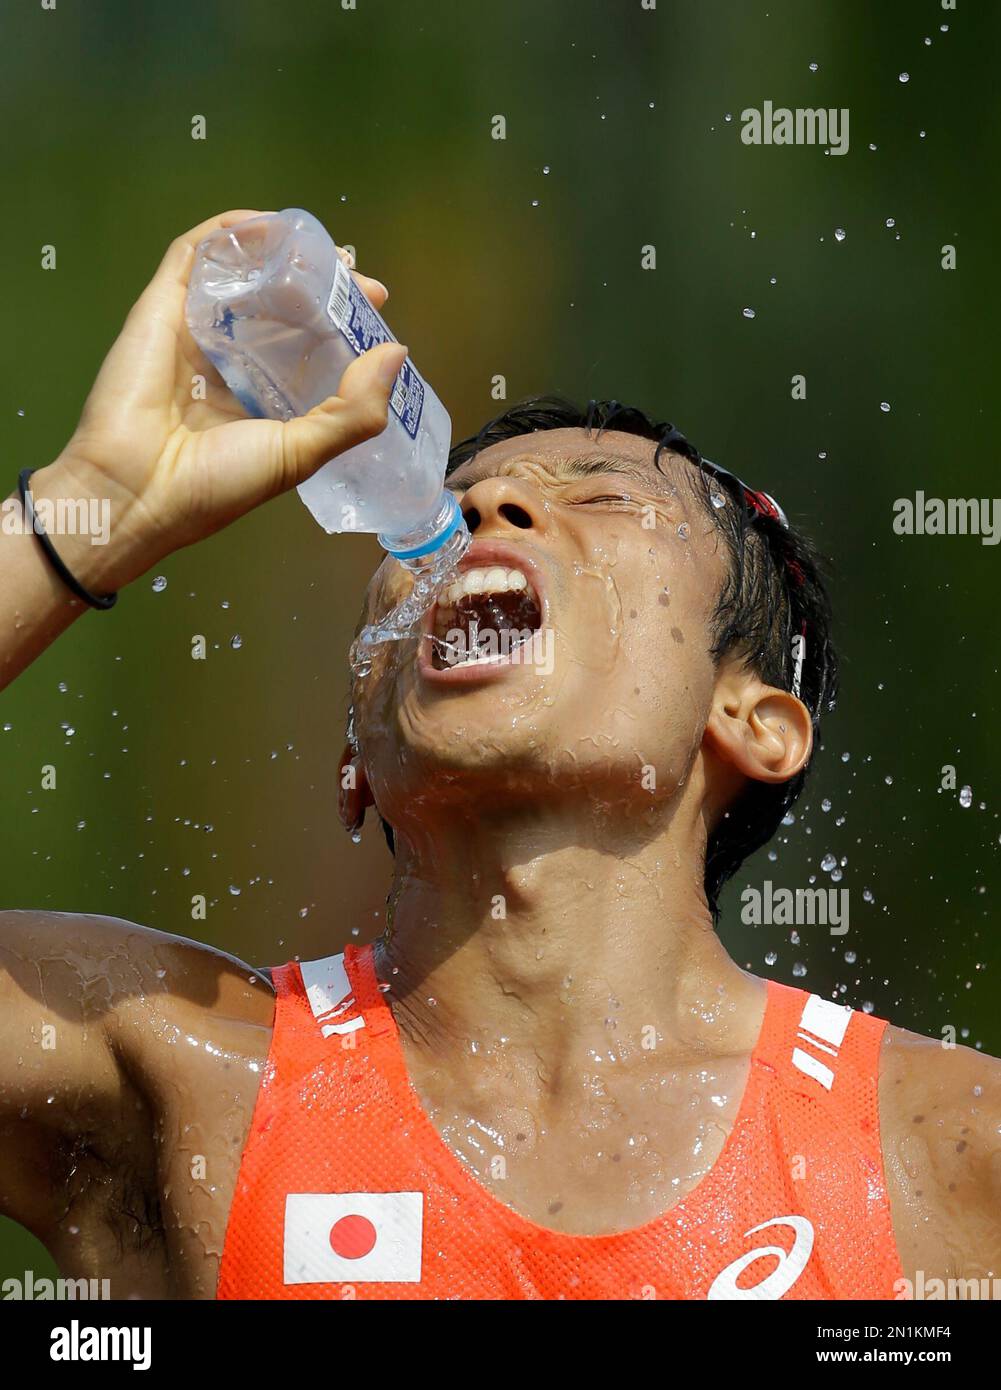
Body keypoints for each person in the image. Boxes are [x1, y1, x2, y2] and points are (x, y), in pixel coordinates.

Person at [1, 211, 998, 1302]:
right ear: (354, 754)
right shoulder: (182, 1077)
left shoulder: (941, 1153)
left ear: (754, 723)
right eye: (455, 499)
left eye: (604, 496)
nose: (484, 503)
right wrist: (94, 509)